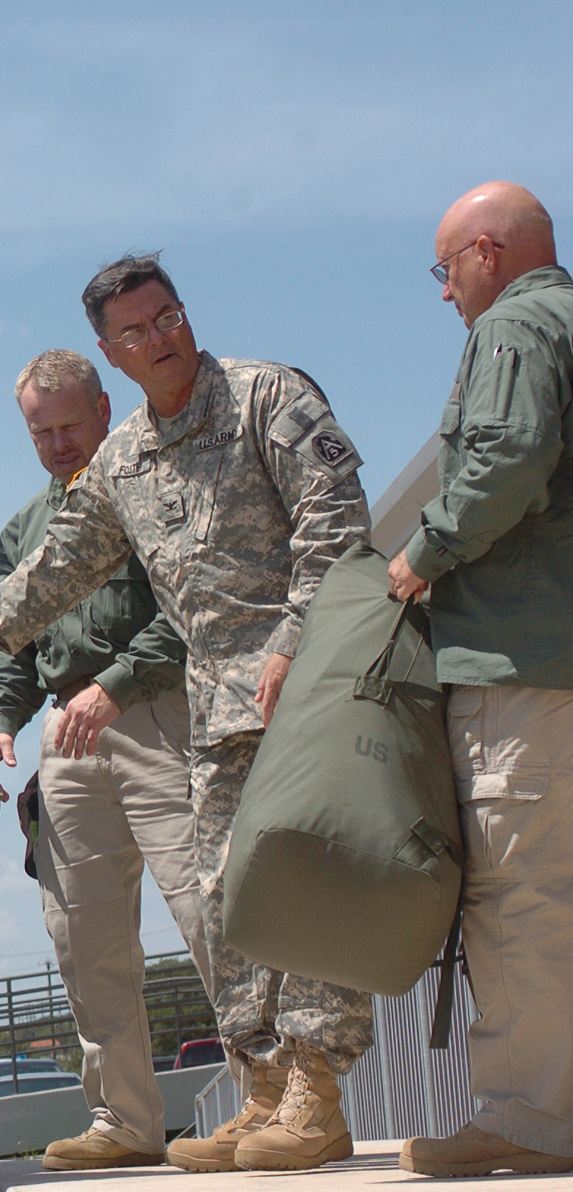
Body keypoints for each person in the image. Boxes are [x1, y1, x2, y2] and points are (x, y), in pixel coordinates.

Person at [0, 254, 375, 1173]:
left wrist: (294, 641)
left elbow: (334, 515)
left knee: (303, 890)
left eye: (166, 316)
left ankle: (315, 1093)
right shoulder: (124, 461)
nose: (158, 339)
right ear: (111, 352)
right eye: (133, 331)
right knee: (234, 903)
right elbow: (58, 562)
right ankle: (267, 1093)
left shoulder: (263, 396)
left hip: (302, 688)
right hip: (216, 712)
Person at [0, 349, 213, 1170]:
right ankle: (123, 1121)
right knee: (84, 936)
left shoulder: (155, 490)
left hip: (161, 710)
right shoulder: (20, 532)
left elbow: (193, 603)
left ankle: (268, 1100)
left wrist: (115, 683)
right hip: (65, 737)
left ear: (107, 410)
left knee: (209, 908)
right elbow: (12, 641)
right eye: (40, 431)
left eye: (70, 423)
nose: (57, 443)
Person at [390, 182, 573, 1179]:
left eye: (446, 267)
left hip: (520, 666)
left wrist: (422, 552)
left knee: (523, 895)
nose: (447, 291)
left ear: (489, 254)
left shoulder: (515, 324)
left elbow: (505, 452)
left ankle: (535, 1117)